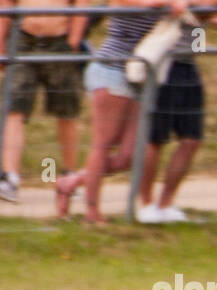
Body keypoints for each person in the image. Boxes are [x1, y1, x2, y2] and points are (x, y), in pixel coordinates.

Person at [54, 0, 189, 224]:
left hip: (139, 74)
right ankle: (92, 212)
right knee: (104, 143)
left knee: (128, 156)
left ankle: (69, 183)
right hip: (111, 69)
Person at [0, 0, 89, 204]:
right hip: (23, 40)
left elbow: (81, 5)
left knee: (66, 111)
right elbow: (5, 4)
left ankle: (69, 176)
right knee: (14, 107)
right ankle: (10, 178)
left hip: (60, 42)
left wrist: (73, 42)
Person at [136, 25, 204, 223]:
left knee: (192, 139)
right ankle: (146, 204)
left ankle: (165, 203)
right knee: (155, 138)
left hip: (188, 65)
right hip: (164, 64)